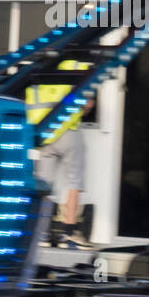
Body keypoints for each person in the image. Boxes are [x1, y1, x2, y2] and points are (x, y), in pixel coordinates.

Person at [25, 60, 93, 248]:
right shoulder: (74, 71)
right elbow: (86, 105)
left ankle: (41, 234)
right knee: (74, 183)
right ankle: (68, 233)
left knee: (44, 185)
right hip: (68, 132)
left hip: (44, 136)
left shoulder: (39, 79)